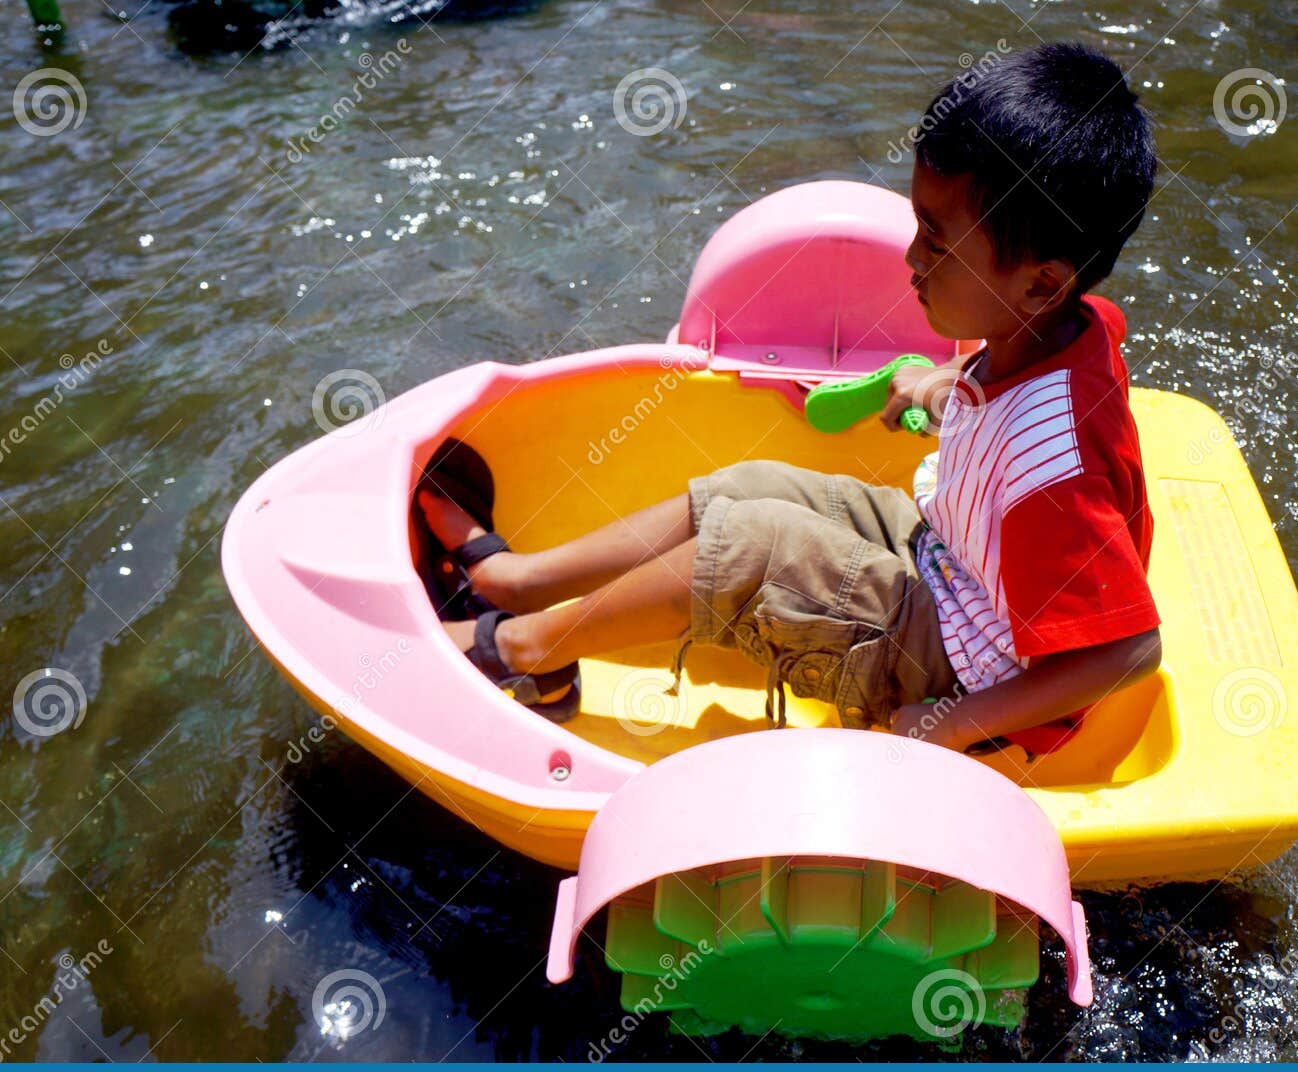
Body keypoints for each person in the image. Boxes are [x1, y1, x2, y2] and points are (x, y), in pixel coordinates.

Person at [417, 41, 1162, 757]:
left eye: (936, 243)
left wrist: (950, 723)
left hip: (968, 668)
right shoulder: (1064, 323)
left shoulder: (1051, 475)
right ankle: (517, 583)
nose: (911, 258)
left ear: (1040, 281)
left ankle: (520, 650)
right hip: (947, 563)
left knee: (758, 544)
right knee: (752, 488)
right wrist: (946, 386)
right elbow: (1024, 396)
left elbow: (1128, 650)